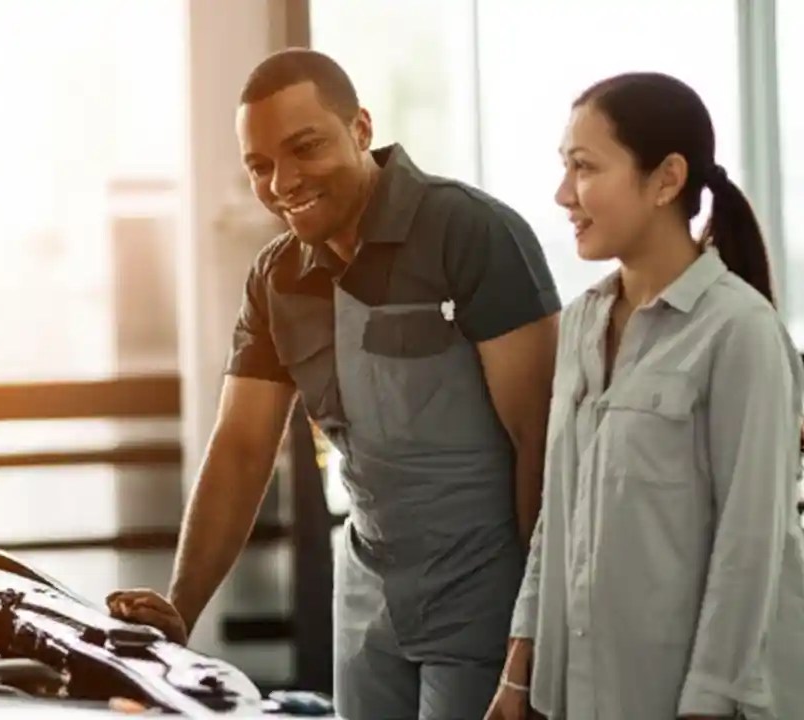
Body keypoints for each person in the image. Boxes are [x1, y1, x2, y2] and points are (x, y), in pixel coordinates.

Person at [106, 48, 561, 719]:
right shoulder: (275, 280)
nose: (282, 182)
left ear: (361, 129)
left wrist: (532, 636)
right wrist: (181, 608)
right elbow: (239, 450)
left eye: (304, 148)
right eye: (259, 166)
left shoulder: (472, 232)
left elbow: (543, 443)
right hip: (366, 604)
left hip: (483, 598)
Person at [487, 71, 804, 720]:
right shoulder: (580, 321)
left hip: (690, 701)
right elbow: (559, 516)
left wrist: (705, 706)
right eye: (563, 166)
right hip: (579, 693)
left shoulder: (739, 331)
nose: (562, 194)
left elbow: (752, 544)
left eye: (584, 167)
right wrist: (519, 676)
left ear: (665, 180)